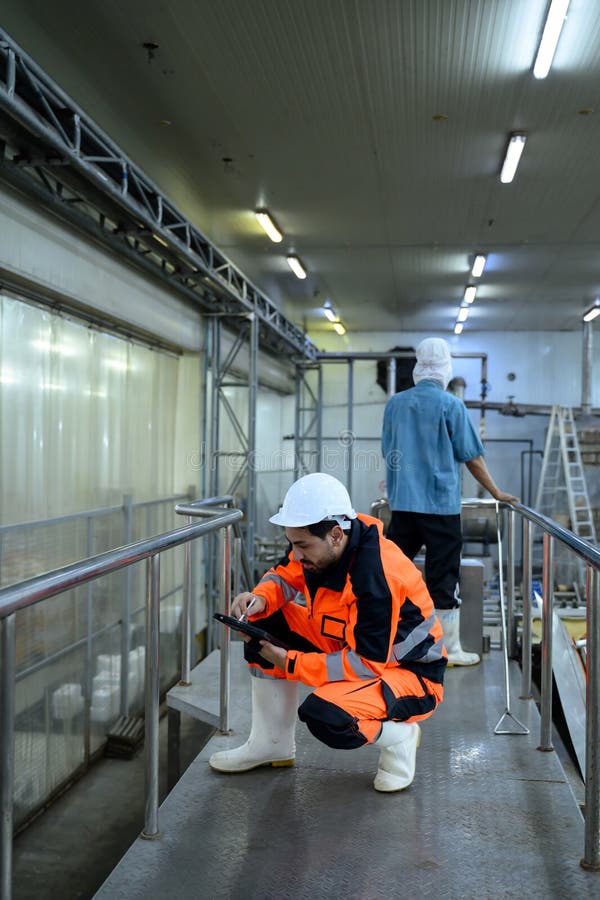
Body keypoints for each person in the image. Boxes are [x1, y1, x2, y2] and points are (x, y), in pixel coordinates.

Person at [209, 472, 447, 792]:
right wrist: (260, 597)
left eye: (302, 545)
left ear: (335, 534)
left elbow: (365, 664)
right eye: (292, 544)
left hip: (409, 674)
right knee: (262, 622)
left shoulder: (376, 576)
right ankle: (271, 744)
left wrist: (290, 662)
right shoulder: (327, 545)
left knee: (326, 715)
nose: (296, 554)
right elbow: (285, 574)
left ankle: (399, 737)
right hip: (347, 642)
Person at [381, 336, 519, 666]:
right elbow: (472, 457)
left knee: (390, 574)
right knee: (444, 579)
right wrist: (496, 492)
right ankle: (447, 650)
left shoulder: (395, 404)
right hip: (440, 508)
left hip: (402, 506)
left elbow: (388, 451)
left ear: (418, 366)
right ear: (446, 367)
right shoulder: (451, 405)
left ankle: (384, 643)